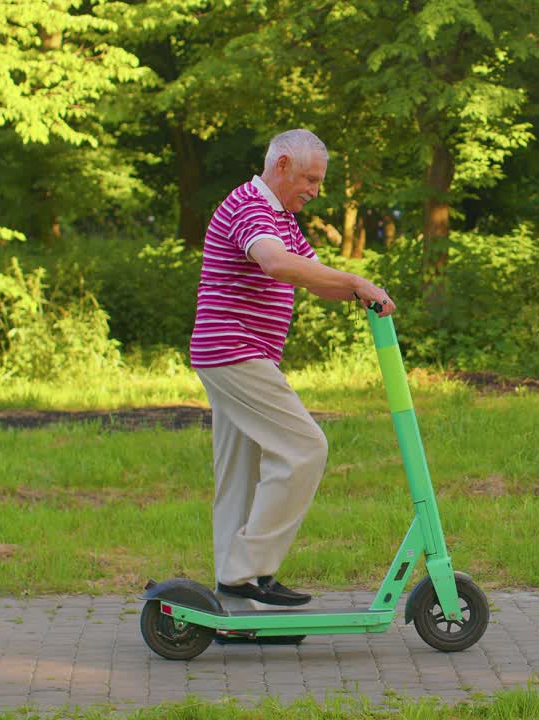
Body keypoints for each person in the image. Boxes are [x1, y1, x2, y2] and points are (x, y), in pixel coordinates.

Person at [189, 129, 394, 606]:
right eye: (310, 179)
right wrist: (355, 280)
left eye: (319, 182)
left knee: (240, 472)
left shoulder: (282, 218)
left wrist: (362, 292)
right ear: (281, 165)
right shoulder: (251, 207)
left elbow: (316, 279)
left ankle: (236, 602)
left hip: (233, 353)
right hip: (234, 351)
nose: (315, 191)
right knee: (305, 448)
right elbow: (276, 265)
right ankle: (249, 570)